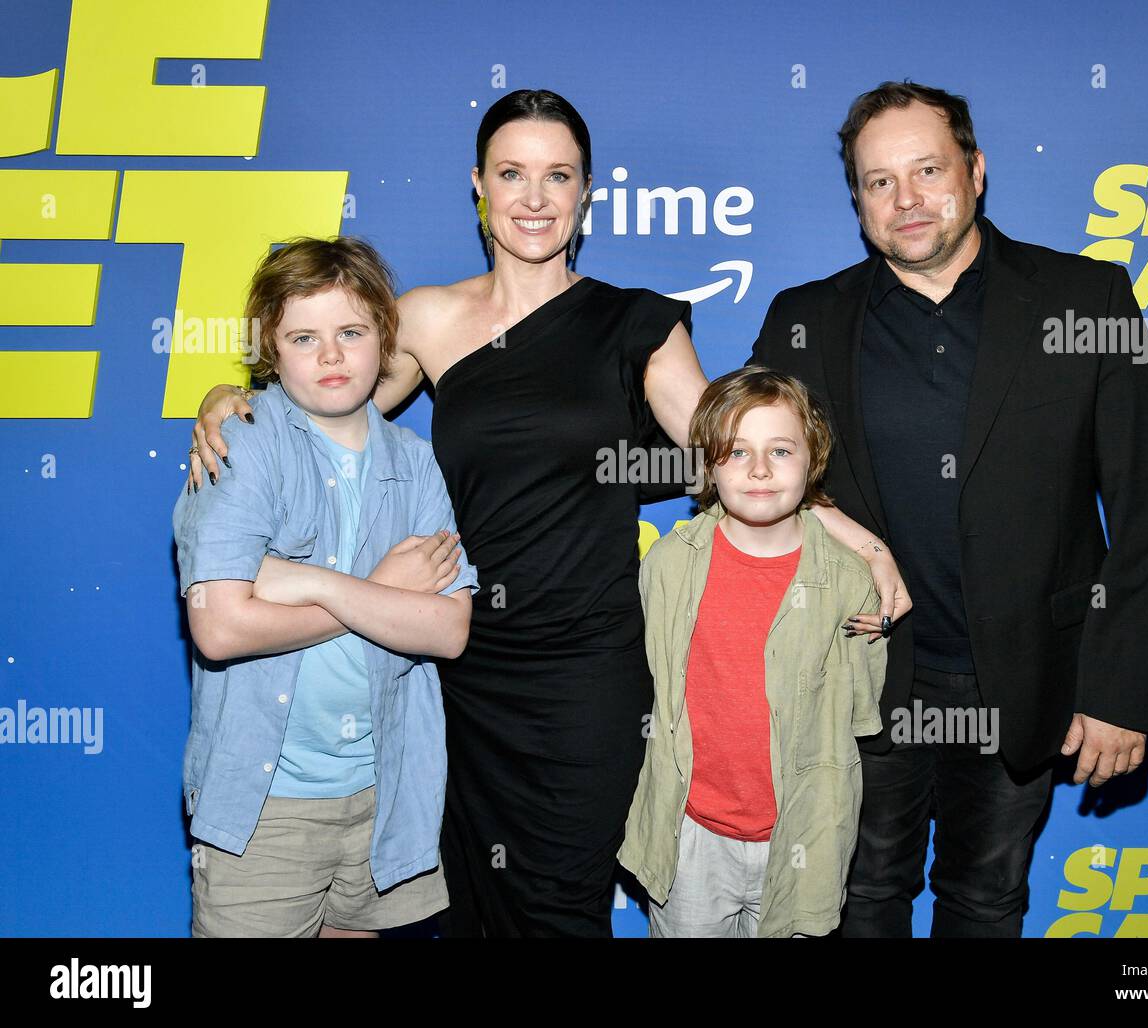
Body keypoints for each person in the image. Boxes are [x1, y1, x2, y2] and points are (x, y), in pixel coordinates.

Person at [187, 90, 910, 937]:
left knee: (563, 909)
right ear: (479, 186)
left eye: (557, 176)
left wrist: (856, 537)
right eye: (513, 174)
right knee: (453, 909)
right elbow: (325, 395)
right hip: (451, 667)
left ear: (587, 193)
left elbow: (737, 451)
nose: (535, 197)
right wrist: (229, 395)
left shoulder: (633, 321)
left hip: (585, 673)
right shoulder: (425, 317)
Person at [748, 81, 1148, 937]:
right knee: (853, 904)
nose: (906, 199)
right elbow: (747, 475)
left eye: (927, 170)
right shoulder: (804, 319)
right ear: (858, 201)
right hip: (860, 681)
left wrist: (1122, 691)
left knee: (985, 906)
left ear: (976, 171)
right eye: (879, 182)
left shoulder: (1085, 301)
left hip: (1024, 683)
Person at [174, 236, 478, 937]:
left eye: (351, 332)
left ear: (384, 337)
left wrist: (311, 584)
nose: (332, 355)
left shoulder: (415, 461)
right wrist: (377, 590)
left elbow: (448, 629)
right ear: (271, 350)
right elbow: (220, 629)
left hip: (383, 795)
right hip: (265, 804)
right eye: (304, 337)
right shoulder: (240, 443)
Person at [619, 367, 888, 938]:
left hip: (802, 828)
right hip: (689, 831)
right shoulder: (669, 563)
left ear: (813, 461)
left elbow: (861, 706)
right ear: (708, 464)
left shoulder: (848, 582)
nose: (760, 469)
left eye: (780, 450)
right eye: (737, 450)